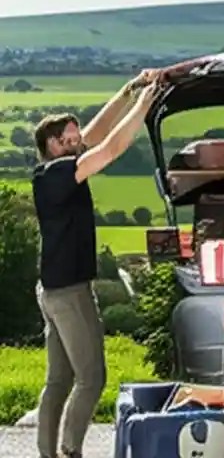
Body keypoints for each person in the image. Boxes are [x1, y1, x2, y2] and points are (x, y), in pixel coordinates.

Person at [31, 71, 162, 458]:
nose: (78, 141)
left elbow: (98, 131)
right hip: (69, 292)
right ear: (53, 145)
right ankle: (71, 450)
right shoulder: (58, 173)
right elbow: (110, 147)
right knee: (91, 378)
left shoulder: (58, 167)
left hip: (53, 289)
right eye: (71, 139)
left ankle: (47, 453)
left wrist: (129, 90)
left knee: (59, 379)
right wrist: (143, 105)